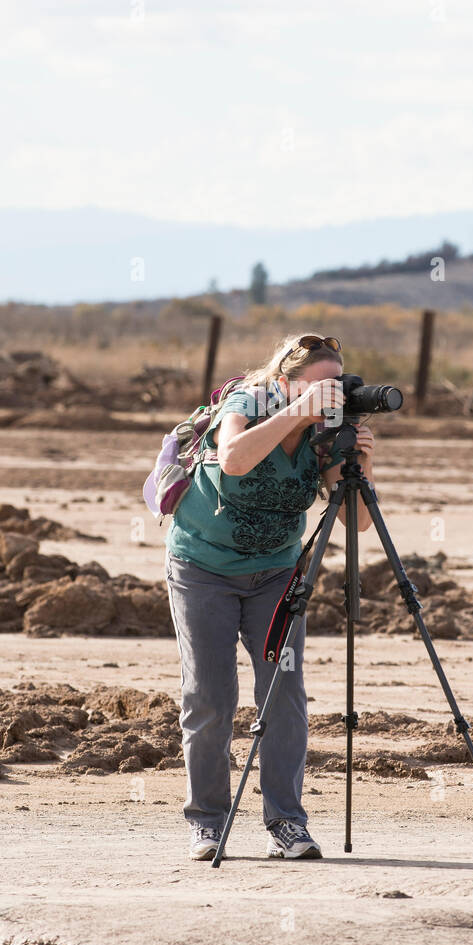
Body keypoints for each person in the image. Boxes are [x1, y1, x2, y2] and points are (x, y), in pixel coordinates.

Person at [164, 333, 376, 861]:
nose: (330, 395)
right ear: (285, 383)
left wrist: (362, 465)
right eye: (318, 385)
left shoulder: (327, 434)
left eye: (336, 384)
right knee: (210, 696)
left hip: (276, 574)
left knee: (284, 694)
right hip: (202, 567)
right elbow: (233, 460)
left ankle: (286, 822)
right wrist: (297, 412)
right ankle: (207, 822)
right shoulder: (249, 402)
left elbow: (359, 522)